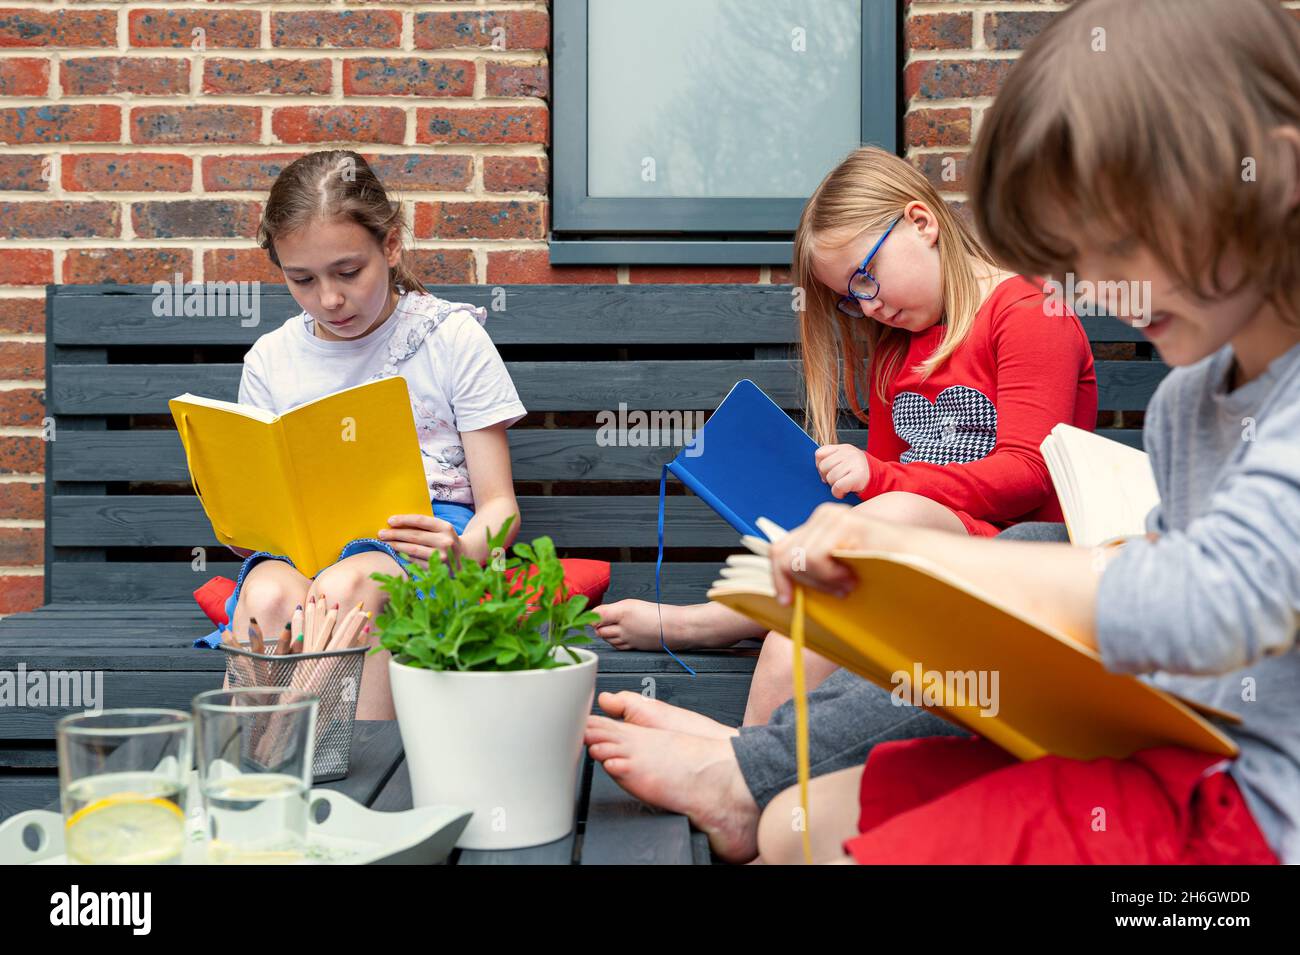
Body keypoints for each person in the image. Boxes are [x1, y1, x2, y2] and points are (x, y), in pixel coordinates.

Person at [758, 0, 1300, 865]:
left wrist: (919, 559)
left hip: (1255, 816)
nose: (1093, 281)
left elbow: (1217, 597)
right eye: (1072, 251)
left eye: (1117, 237)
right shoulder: (1187, 404)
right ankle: (755, 769)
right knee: (797, 825)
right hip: (1169, 758)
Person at [225, 150, 526, 720]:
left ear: (390, 246)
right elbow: (252, 534)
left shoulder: (449, 337)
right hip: (310, 546)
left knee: (352, 583)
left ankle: (338, 770)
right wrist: (247, 522)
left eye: (348, 272)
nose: (329, 299)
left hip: (420, 542)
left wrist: (463, 552)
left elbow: (501, 509)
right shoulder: (270, 358)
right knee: (265, 594)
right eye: (302, 280)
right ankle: (267, 774)